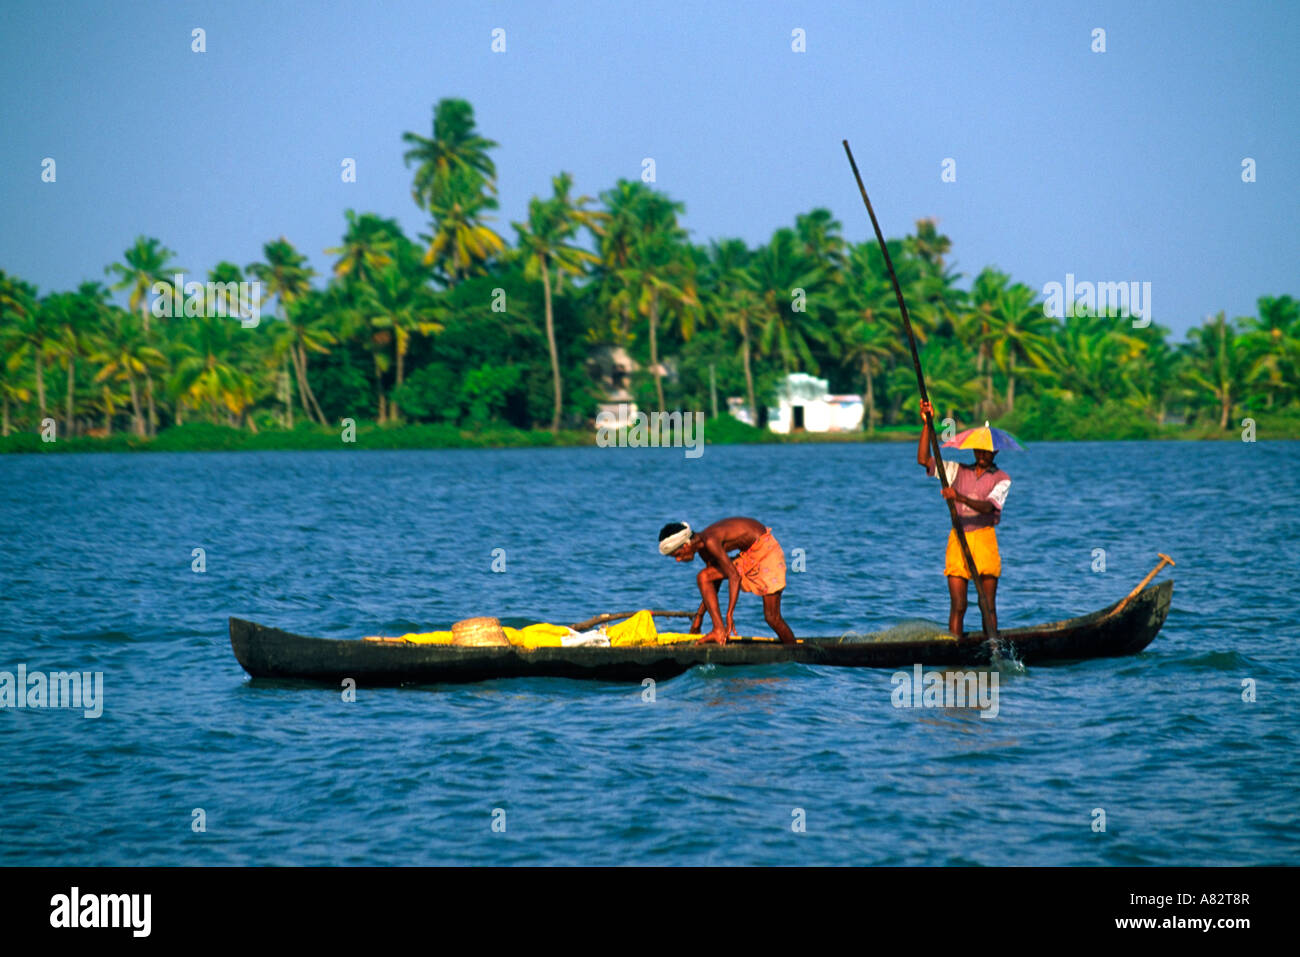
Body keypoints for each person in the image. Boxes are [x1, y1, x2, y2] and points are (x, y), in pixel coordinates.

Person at [916, 399, 1011, 639]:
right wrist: (927, 424)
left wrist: (959, 497)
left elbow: (988, 507)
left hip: (984, 540)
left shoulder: (1002, 478)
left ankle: (993, 646)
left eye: (987, 451)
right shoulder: (958, 471)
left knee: (987, 605)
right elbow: (923, 460)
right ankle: (954, 649)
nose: (982, 455)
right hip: (958, 538)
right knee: (959, 606)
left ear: (995, 452)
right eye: (978, 450)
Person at [658, 517, 796, 645]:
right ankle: (718, 630)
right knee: (704, 576)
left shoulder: (710, 542)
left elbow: (733, 576)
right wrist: (699, 617)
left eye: (677, 555)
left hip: (766, 551)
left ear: (686, 545)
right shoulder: (703, 550)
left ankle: (795, 651)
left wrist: (729, 614)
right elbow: (713, 585)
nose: (678, 559)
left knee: (772, 617)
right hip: (748, 555)